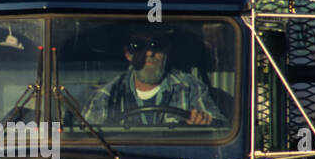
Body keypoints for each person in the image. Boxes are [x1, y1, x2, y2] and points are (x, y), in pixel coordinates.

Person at [82, 24, 222, 126]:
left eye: (157, 44)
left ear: (167, 49)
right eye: (139, 45)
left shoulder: (191, 88)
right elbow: (87, 139)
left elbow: (220, 130)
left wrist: (204, 122)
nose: (149, 52)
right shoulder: (107, 95)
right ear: (128, 53)